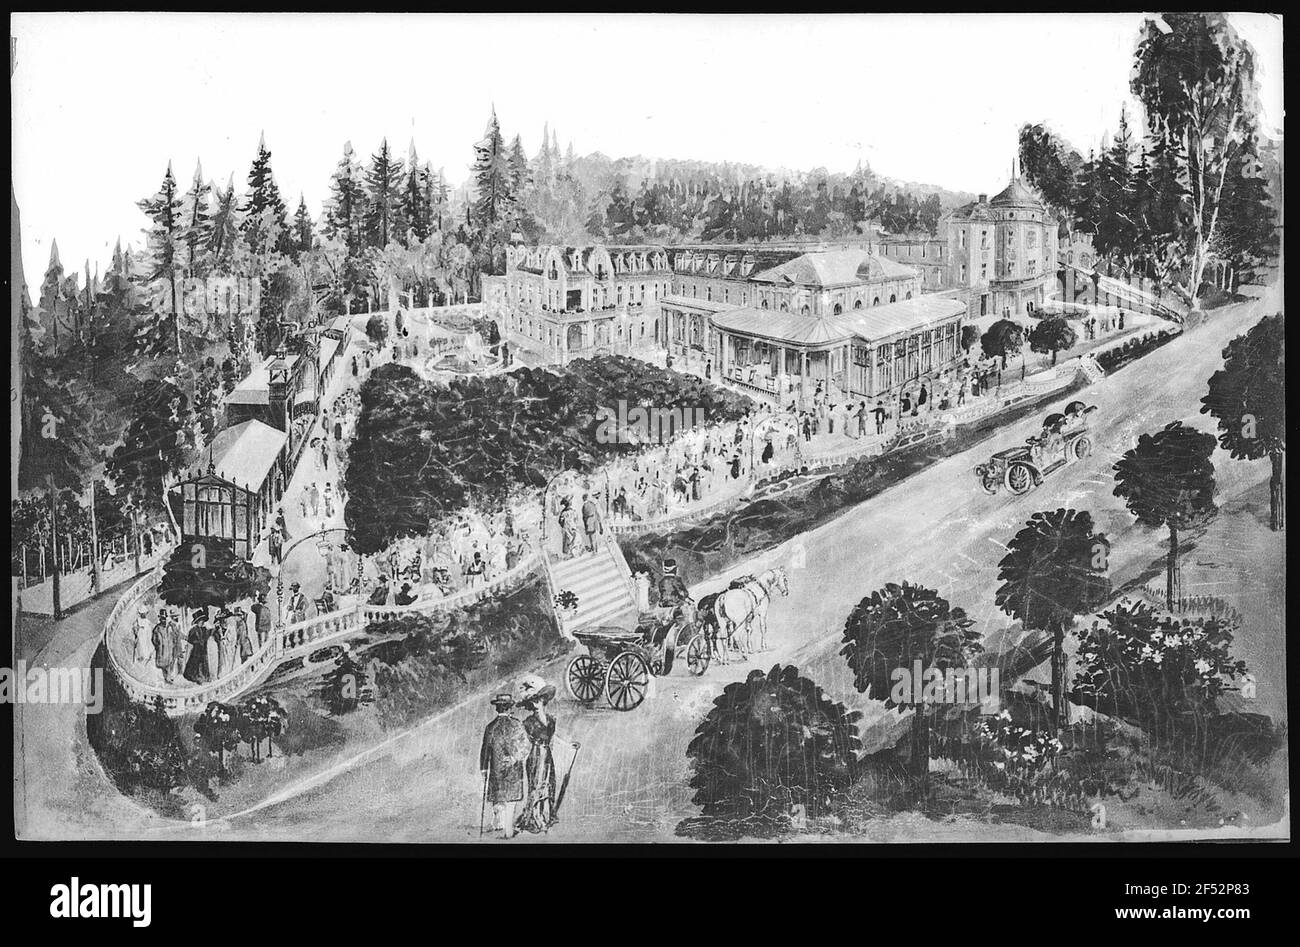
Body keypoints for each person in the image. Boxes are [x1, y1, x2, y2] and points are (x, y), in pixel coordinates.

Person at [479, 694, 529, 839]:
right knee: (511, 798)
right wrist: (515, 758)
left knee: (498, 794)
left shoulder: (490, 727)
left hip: (496, 767)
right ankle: (508, 828)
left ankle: (498, 822)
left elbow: (485, 751)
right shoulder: (517, 724)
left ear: (497, 708)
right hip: (513, 766)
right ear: (509, 708)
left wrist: (484, 769)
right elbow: (525, 745)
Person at [516, 679, 561, 833]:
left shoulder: (551, 719)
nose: (535, 704)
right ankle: (535, 818)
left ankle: (546, 815)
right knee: (536, 785)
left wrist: (569, 745)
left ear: (543, 700)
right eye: (532, 702)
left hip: (547, 755)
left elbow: (554, 738)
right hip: (535, 756)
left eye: (537, 700)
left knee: (548, 783)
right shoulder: (528, 722)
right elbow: (523, 742)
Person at [183, 610, 213, 684]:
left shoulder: (204, 629)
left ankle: (204, 677)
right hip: (196, 651)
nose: (202, 622)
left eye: (203, 620)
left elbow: (208, 635)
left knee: (203, 663)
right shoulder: (193, 630)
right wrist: (196, 642)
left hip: (203, 650)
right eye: (200, 620)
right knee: (195, 664)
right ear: (197, 621)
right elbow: (190, 641)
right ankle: (196, 677)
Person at [151, 607, 175, 684]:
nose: (164, 620)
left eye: (165, 618)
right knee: (163, 665)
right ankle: (167, 678)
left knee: (169, 663)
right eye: (162, 619)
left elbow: (173, 636)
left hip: (169, 649)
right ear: (160, 619)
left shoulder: (168, 627)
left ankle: (168, 677)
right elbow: (153, 639)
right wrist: (158, 646)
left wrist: (172, 644)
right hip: (161, 649)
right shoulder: (157, 628)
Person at [132, 604, 155, 669]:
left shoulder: (147, 621)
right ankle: (139, 662)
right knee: (140, 648)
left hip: (146, 636)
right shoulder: (137, 620)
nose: (144, 614)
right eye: (142, 613)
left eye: (144, 613)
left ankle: (146, 661)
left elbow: (150, 629)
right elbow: (134, 627)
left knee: (146, 647)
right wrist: (136, 631)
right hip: (140, 636)